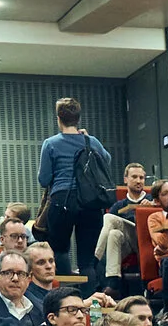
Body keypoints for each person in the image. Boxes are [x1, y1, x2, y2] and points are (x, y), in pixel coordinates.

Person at [36, 96, 113, 278]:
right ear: (78, 119)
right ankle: (89, 294)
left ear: (58, 118)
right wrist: (87, 140)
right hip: (90, 201)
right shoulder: (91, 141)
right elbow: (106, 160)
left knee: (59, 251)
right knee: (87, 261)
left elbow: (44, 179)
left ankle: (65, 293)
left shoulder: (51, 143)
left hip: (62, 200)